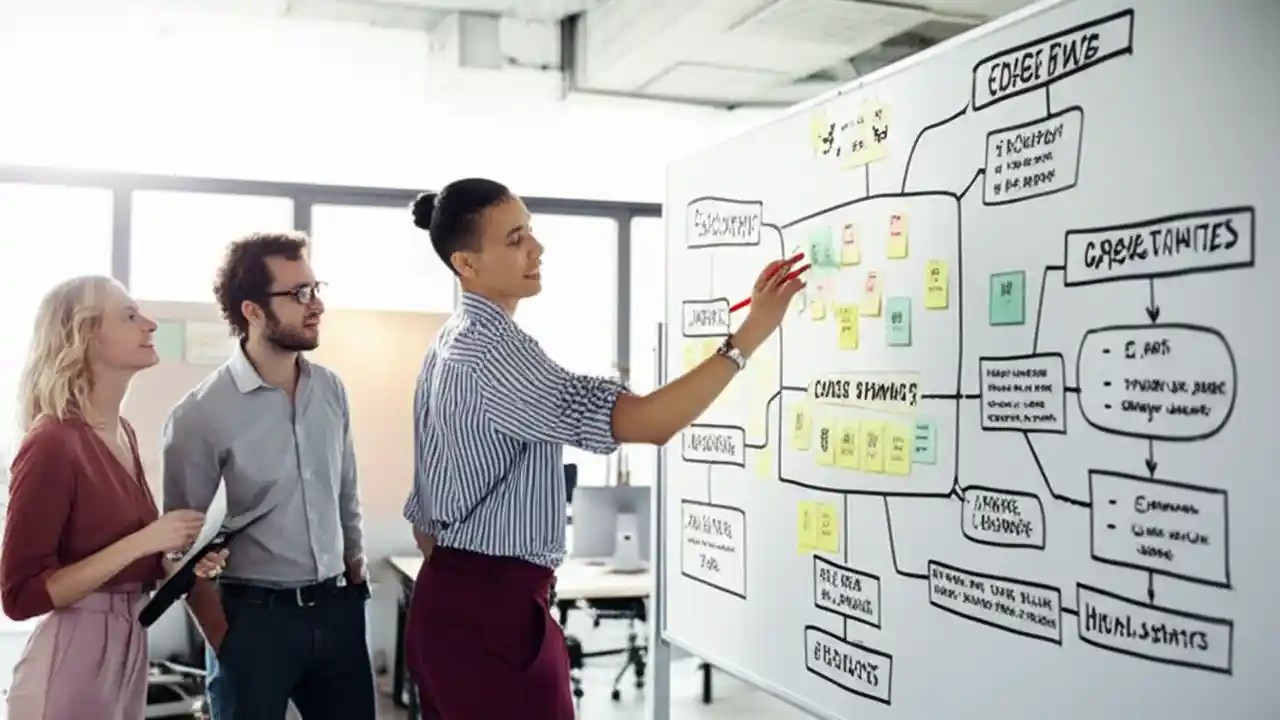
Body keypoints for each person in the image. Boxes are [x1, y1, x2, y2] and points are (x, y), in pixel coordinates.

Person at [402, 178, 805, 719]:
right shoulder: (493, 354)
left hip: (457, 604)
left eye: (531, 232)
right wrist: (749, 335)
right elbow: (650, 423)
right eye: (515, 238)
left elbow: (424, 528)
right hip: (489, 617)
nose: (536, 249)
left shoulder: (453, 340)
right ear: (466, 264)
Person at [161, 232, 375, 720]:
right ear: (252, 311)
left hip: (337, 611)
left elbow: (345, 493)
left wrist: (355, 576)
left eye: (315, 288)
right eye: (298, 294)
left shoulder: (330, 390)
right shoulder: (199, 414)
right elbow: (179, 549)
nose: (316, 304)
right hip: (254, 622)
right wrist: (225, 640)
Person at [0, 275, 227, 720]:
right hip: (72, 661)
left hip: (128, 649)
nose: (150, 323)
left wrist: (175, 564)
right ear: (85, 336)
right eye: (129, 316)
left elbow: (127, 558)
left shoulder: (123, 433)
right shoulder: (53, 442)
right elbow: (20, 596)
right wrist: (148, 540)